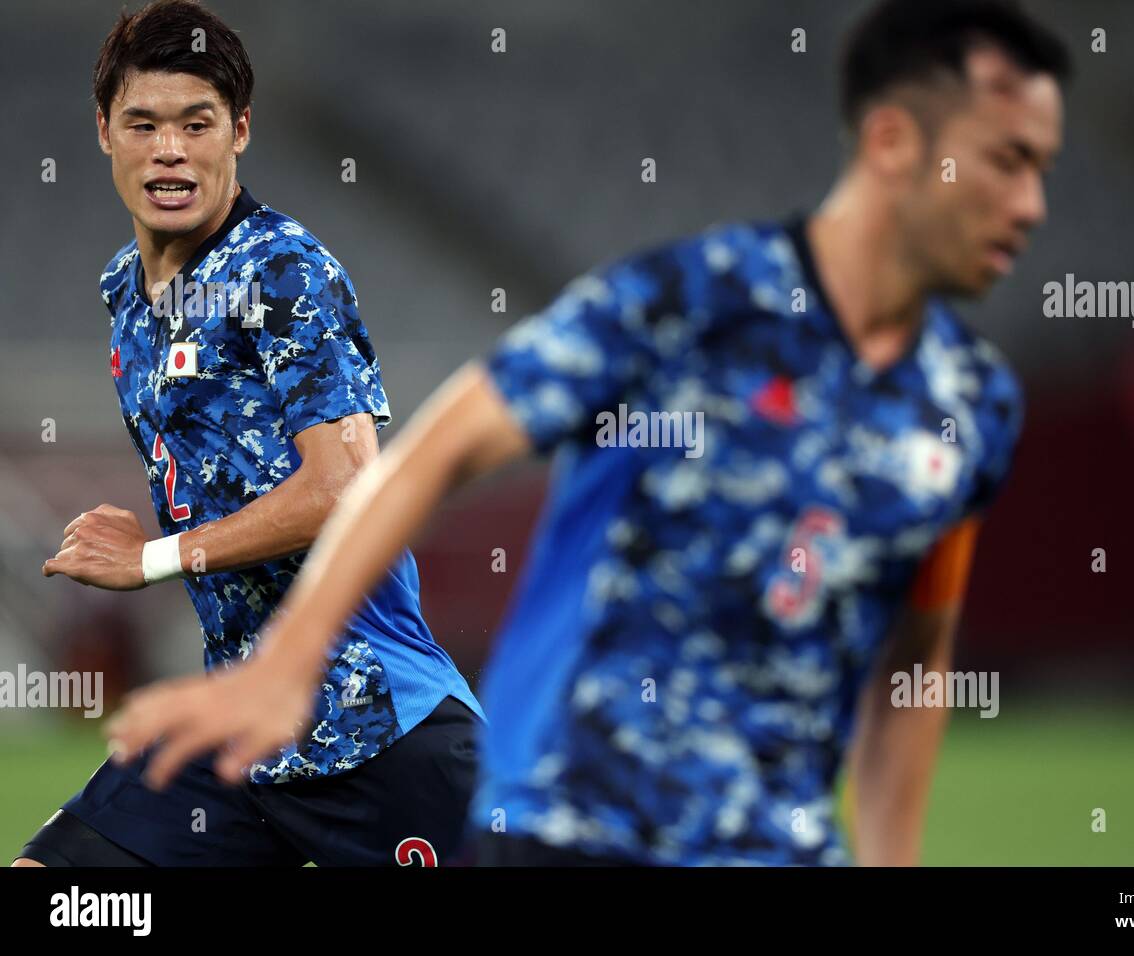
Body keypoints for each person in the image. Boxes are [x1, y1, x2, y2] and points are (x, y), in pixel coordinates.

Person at [106, 0, 1069, 866]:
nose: (1032, 207)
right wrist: (283, 663)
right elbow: (440, 450)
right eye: (1008, 161)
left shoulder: (973, 407)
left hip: (764, 843)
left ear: (237, 132)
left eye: (1043, 169)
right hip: (579, 826)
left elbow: (918, 649)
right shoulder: (691, 300)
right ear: (899, 141)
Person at [15, 0, 483, 868]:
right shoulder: (125, 290)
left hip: (371, 722)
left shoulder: (281, 269)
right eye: (143, 123)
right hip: (239, 729)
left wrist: (153, 556)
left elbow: (347, 487)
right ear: (103, 132)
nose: (169, 150)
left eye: (197, 124)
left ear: (239, 132)